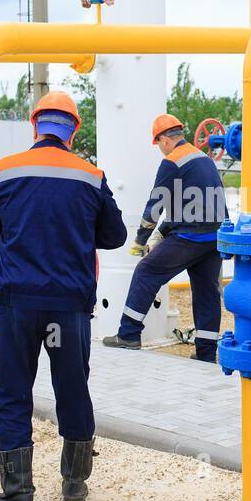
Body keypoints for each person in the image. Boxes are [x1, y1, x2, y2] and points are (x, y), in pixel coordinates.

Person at [0, 91, 127, 501]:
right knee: (72, 389)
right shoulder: (90, 175)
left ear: (35, 125)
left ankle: (18, 492)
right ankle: (74, 486)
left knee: (12, 392)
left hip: (17, 304)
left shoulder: (5, 170)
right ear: (73, 130)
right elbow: (115, 236)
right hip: (68, 307)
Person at [101, 113, 226, 362]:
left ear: (164, 140)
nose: (160, 149)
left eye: (158, 144)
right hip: (214, 238)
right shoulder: (203, 159)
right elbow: (189, 203)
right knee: (207, 292)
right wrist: (162, 233)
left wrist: (139, 241)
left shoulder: (173, 161)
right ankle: (206, 353)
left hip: (190, 237)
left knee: (146, 271)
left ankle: (128, 334)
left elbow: (155, 205)